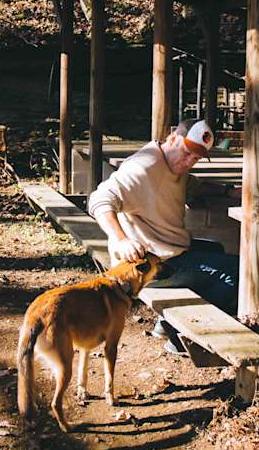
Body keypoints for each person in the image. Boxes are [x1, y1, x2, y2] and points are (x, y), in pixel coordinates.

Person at [87, 119, 239, 353]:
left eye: (196, 158)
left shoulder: (173, 167)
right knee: (236, 271)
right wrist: (121, 239)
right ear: (172, 138)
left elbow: (192, 186)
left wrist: (228, 191)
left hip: (168, 251)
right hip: (150, 265)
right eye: (187, 152)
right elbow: (98, 200)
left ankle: (165, 324)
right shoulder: (142, 168)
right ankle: (181, 339)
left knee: (215, 250)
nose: (189, 161)